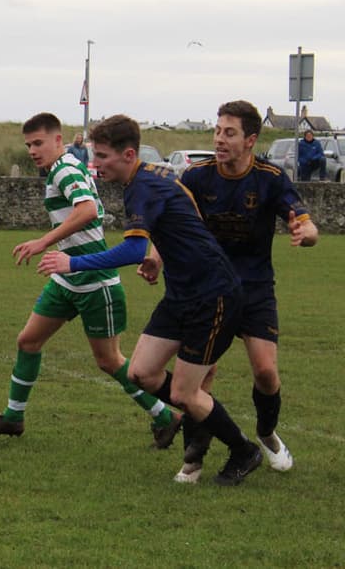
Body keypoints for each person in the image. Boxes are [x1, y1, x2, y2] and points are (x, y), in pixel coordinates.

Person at [37, 114, 262, 486]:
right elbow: (181, 219)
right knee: (141, 373)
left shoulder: (143, 187)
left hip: (213, 295)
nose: (95, 164)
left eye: (103, 156)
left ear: (128, 154)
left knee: (185, 393)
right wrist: (158, 257)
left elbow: (131, 250)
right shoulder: (149, 178)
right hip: (180, 294)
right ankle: (199, 421)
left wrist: (72, 262)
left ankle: (243, 450)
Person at [0, 113, 180, 446]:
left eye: (38, 143)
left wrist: (43, 242)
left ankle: (167, 417)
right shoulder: (62, 167)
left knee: (109, 361)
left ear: (58, 140)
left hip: (95, 282)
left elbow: (87, 211)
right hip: (67, 280)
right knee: (28, 341)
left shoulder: (65, 169)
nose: (32, 151)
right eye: (28, 145)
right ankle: (13, 417)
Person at [159, 100, 318, 483]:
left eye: (229, 133)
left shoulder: (270, 178)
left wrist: (305, 233)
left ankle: (266, 433)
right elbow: (171, 225)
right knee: (201, 375)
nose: (219, 139)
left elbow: (306, 223)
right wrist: (155, 256)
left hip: (254, 289)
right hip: (209, 289)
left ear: (250, 140)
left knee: (265, 372)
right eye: (217, 131)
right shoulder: (196, 177)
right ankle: (193, 461)